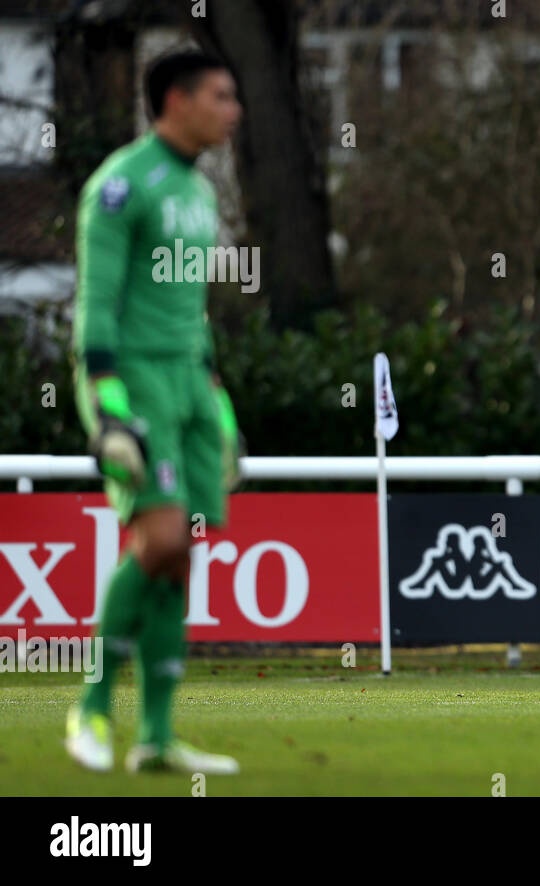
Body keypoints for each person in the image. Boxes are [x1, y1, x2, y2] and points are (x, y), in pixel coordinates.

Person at [66, 51, 244, 773]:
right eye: (221, 96)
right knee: (164, 538)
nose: (234, 110)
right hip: (132, 379)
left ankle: (159, 738)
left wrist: (220, 407)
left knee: (180, 556)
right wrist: (108, 409)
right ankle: (94, 704)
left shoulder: (200, 191)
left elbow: (190, 312)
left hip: (191, 386)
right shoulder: (120, 185)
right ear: (177, 99)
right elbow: (95, 306)